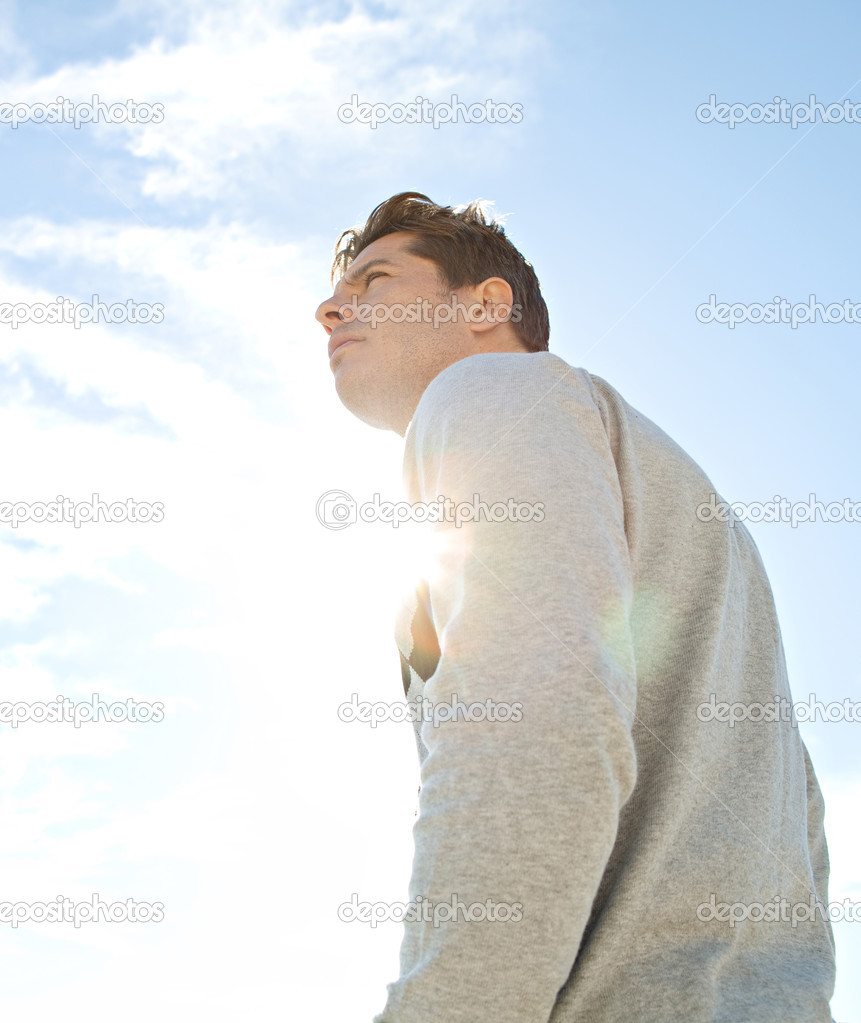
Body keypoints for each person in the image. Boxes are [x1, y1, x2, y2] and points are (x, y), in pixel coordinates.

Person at [315, 191, 837, 1022]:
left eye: (375, 279)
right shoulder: (699, 520)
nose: (330, 307)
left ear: (486, 305)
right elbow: (798, 830)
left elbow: (536, 717)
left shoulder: (488, 390)